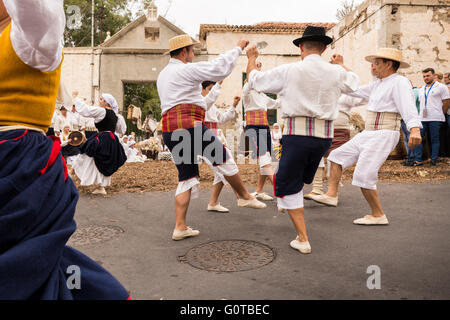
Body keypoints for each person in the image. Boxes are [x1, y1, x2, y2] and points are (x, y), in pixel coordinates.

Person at [0, 0, 129, 299]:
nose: (105, 105)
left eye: (107, 104)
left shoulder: (29, 37)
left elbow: (36, 8)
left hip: (17, 156)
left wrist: (78, 108)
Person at [246, 26, 359, 254]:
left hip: (297, 136)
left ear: (300, 48)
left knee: (289, 186)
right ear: (324, 48)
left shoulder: (290, 70)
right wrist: (340, 64)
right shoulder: (336, 72)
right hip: (323, 139)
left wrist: (251, 58)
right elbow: (354, 81)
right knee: (296, 177)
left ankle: (302, 238)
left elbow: (255, 80)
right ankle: (286, 199)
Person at [157, 34, 266, 241]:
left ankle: (180, 227)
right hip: (190, 127)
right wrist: (237, 48)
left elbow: (198, 102)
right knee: (224, 157)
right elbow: (219, 68)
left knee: (186, 177)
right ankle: (243, 196)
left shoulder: (163, 75)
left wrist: (216, 88)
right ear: (183, 52)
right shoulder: (185, 69)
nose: (193, 54)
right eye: (191, 50)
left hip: (171, 132)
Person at [312, 48, 422, 226]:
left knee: (364, 174)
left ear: (389, 64)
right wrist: (341, 67)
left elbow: (408, 107)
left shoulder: (399, 82)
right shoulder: (377, 83)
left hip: (384, 133)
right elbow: (354, 90)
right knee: (336, 157)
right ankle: (331, 195)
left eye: (377, 63)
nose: (373, 66)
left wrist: (415, 129)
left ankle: (378, 214)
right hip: (368, 132)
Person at [304, 93, 367, 200]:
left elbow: (362, 98)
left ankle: (332, 192)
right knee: (317, 156)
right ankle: (317, 189)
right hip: (322, 126)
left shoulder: (345, 93)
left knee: (336, 157)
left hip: (340, 129)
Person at [71, 92, 127, 195]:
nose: (99, 101)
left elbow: (86, 110)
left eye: (101, 99)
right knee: (103, 160)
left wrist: (76, 98)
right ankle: (101, 187)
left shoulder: (102, 111)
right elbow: (121, 130)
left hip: (102, 138)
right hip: (112, 139)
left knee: (87, 156)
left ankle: (73, 173)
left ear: (106, 103)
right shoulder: (116, 116)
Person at [242, 61, 281, 201]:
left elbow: (277, 104)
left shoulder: (263, 96)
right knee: (264, 158)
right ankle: (280, 189)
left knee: (267, 158)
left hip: (265, 128)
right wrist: (253, 67)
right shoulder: (247, 92)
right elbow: (249, 80)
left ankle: (259, 191)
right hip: (253, 128)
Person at [201, 80, 240, 213]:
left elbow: (223, 118)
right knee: (223, 169)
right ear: (203, 90)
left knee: (224, 169)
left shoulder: (212, 107)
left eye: (213, 89)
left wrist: (234, 105)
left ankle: (213, 202)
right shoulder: (200, 104)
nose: (212, 92)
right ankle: (240, 195)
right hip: (205, 141)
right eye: (209, 89)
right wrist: (219, 82)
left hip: (216, 139)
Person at [413, 68, 450, 166]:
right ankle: (418, 160)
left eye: (428, 76)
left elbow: (446, 102)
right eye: (424, 76)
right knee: (418, 139)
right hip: (422, 118)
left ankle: (433, 160)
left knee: (434, 139)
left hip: (435, 118)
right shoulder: (422, 89)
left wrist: (440, 113)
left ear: (433, 75)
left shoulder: (441, 87)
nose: (426, 78)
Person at [400, 81, 421, 166]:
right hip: (403, 119)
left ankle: (412, 158)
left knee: (410, 139)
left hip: (410, 119)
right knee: (406, 139)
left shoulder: (415, 91)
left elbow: (411, 104)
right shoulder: (405, 93)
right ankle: (409, 157)